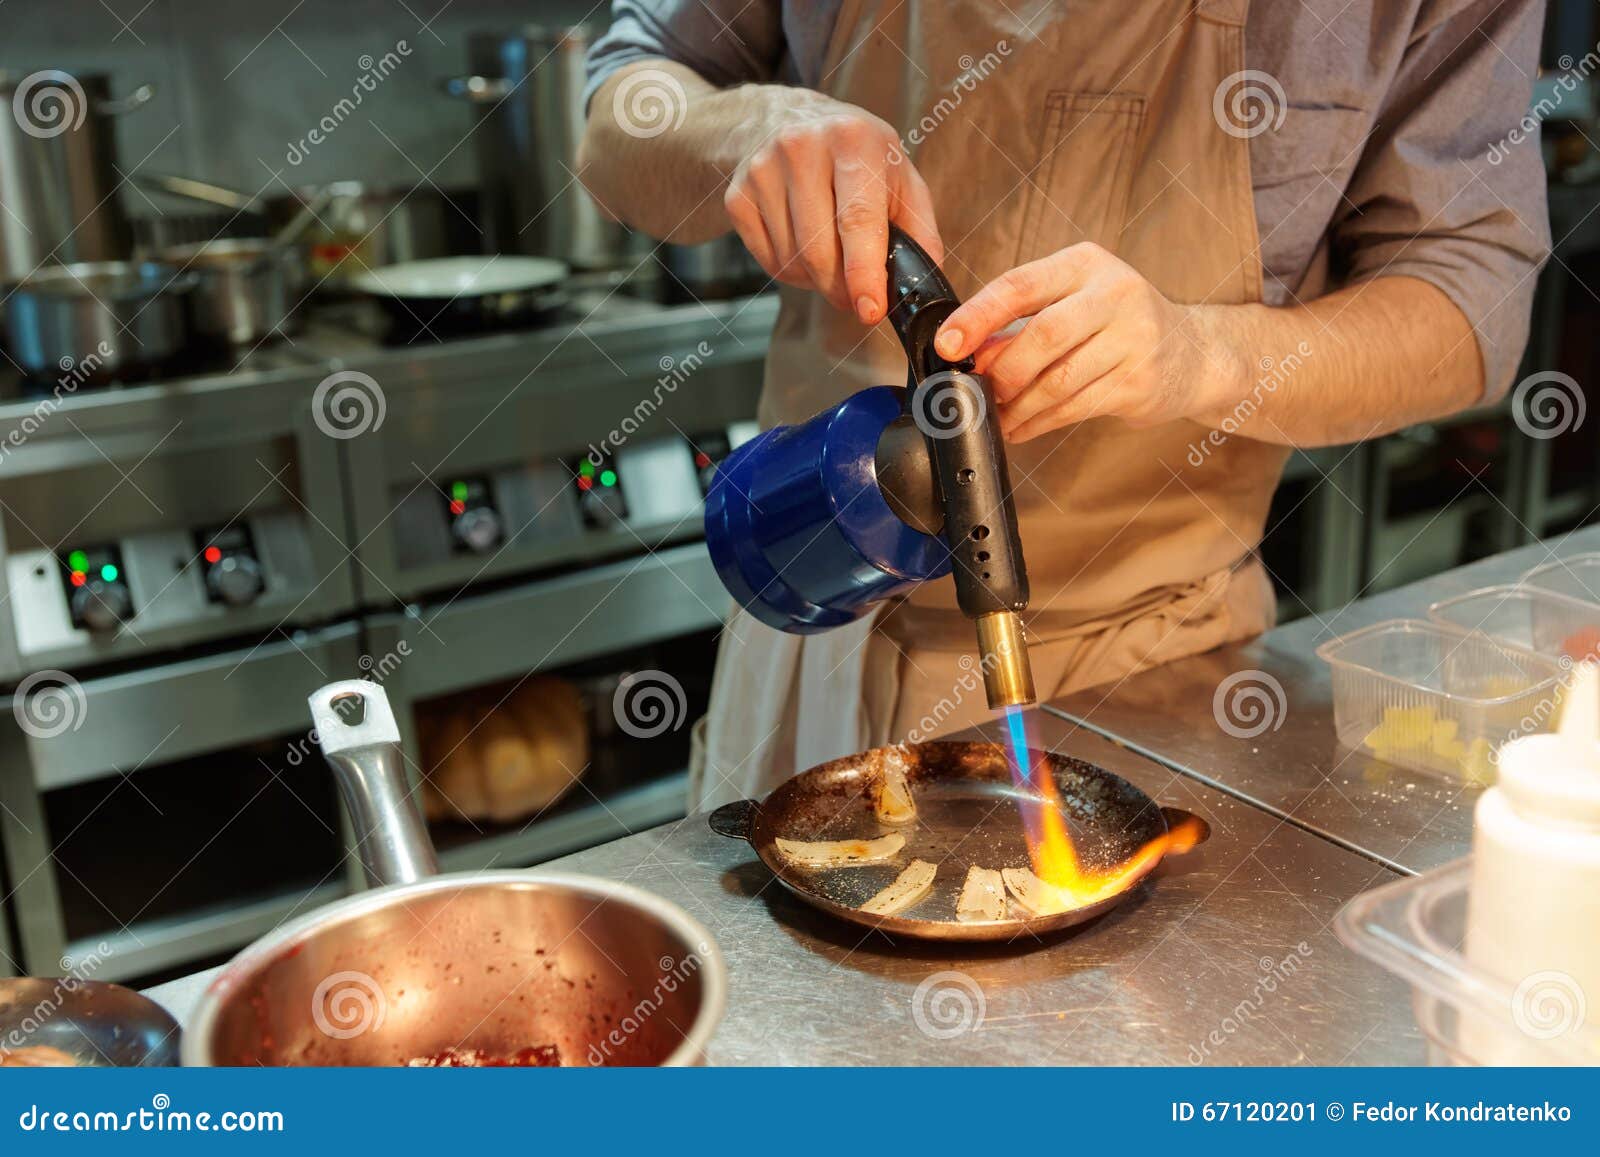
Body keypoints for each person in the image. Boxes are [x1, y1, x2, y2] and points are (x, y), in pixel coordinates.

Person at [579, 1, 1551, 811]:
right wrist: (738, 130)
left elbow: (1470, 303)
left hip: (1160, 676)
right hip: (816, 613)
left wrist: (1206, 354)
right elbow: (616, 119)